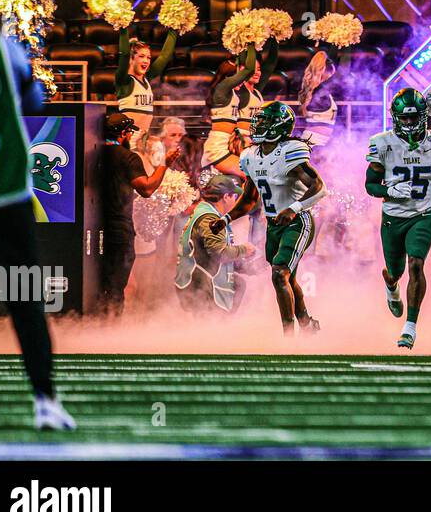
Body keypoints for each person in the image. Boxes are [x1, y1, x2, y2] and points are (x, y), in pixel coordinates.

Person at [0, 0, 75, 432]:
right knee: (24, 297)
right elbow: (37, 101)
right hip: (6, 193)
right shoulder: (3, 51)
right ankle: (45, 399)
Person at [215, 102, 327, 336]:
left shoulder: (290, 151)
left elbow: (318, 187)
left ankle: (288, 336)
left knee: (279, 273)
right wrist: (225, 220)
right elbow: (249, 199)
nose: (258, 125)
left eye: (265, 121)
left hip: (297, 222)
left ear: (279, 126)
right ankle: (306, 323)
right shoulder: (251, 156)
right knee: (288, 277)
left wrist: (293, 208)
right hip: (274, 226)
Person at [365, 87, 431, 350]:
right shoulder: (383, 143)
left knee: (416, 265)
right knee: (396, 272)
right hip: (393, 218)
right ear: (395, 117)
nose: (410, 124)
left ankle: (410, 327)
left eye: (415, 118)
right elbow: (370, 185)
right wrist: (389, 190)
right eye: (405, 119)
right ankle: (391, 285)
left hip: (422, 216)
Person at [98, 112, 181, 317]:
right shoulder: (128, 157)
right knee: (117, 286)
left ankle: (96, 324)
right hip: (119, 228)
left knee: (100, 283)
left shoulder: (93, 152)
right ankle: (110, 330)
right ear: (124, 134)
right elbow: (147, 188)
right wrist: (165, 164)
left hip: (93, 227)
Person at [174, 175, 256, 315]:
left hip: (197, 283)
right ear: (226, 197)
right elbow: (220, 253)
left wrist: (248, 268)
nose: (236, 202)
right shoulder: (209, 218)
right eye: (234, 197)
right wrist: (244, 250)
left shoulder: (206, 213)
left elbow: (209, 254)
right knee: (210, 329)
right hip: (199, 286)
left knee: (239, 283)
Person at [115, 24, 177, 149]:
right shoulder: (124, 80)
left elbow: (164, 57)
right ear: (131, 59)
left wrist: (174, 29)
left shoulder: (146, 79)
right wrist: (122, 26)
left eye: (148, 57)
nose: (146, 61)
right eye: (141, 56)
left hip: (143, 138)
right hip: (129, 139)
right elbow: (125, 54)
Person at [202, 48, 257, 176]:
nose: (241, 80)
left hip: (226, 145)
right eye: (237, 77)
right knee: (251, 174)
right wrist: (251, 42)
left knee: (254, 173)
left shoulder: (230, 92)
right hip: (217, 147)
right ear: (228, 78)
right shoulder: (222, 89)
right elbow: (249, 69)